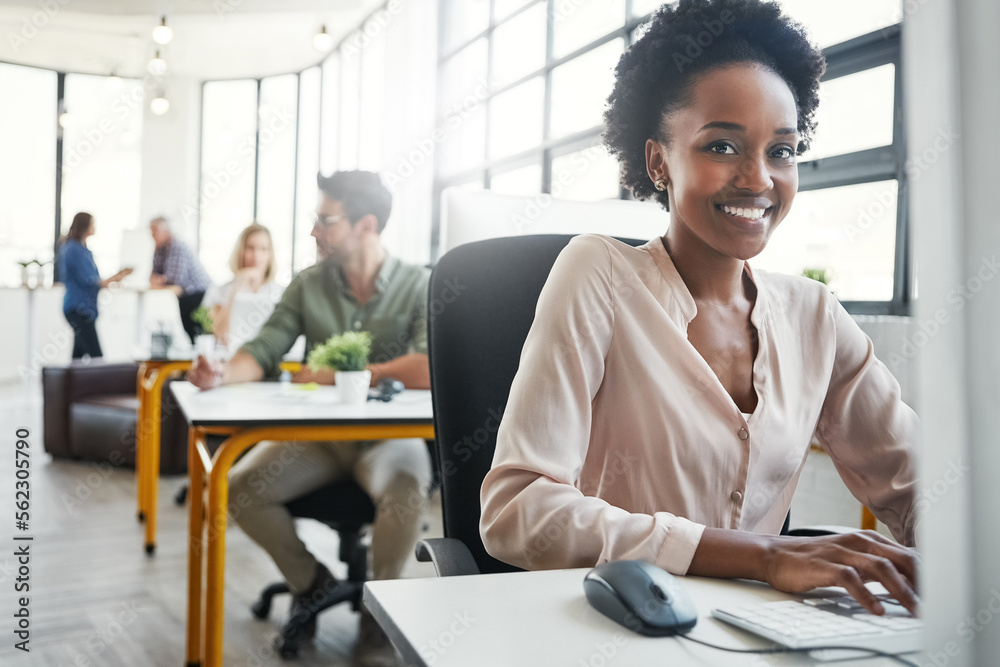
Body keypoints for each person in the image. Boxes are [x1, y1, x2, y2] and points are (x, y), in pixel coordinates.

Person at [480, 0, 919, 619]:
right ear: (659, 160)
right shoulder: (599, 275)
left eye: (783, 151)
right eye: (722, 146)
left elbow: (918, 483)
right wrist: (762, 555)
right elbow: (517, 510)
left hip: (761, 634)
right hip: (614, 625)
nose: (759, 178)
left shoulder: (813, 315)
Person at [187, 170, 431, 666]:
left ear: (366, 224)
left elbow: (428, 364)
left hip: (390, 439)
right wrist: (220, 372)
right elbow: (264, 348)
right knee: (233, 486)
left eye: (326, 220)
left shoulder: (418, 284)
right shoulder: (307, 284)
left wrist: (343, 373)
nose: (314, 232)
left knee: (407, 488)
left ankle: (379, 617)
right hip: (317, 439)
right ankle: (312, 583)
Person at [59, 212, 133, 359]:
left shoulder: (85, 251)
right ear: (85, 226)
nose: (95, 227)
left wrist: (117, 278)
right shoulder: (73, 249)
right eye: (92, 224)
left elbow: (96, 282)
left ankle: (71, 382)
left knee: (78, 357)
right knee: (96, 356)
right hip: (78, 309)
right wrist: (117, 276)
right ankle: (97, 382)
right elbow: (91, 281)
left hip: (86, 310)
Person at [201, 222, 284, 349]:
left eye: (263, 249)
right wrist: (236, 291)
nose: (256, 255)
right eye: (250, 248)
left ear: (270, 254)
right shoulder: (219, 291)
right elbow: (218, 334)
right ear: (240, 251)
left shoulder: (281, 293)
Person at [149, 216, 212, 344]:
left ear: (166, 231)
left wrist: (161, 280)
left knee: (203, 334)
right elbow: (153, 277)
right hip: (185, 297)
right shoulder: (159, 249)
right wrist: (161, 280)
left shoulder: (178, 246)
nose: (152, 235)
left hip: (202, 296)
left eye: (154, 231)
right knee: (190, 333)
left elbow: (176, 281)